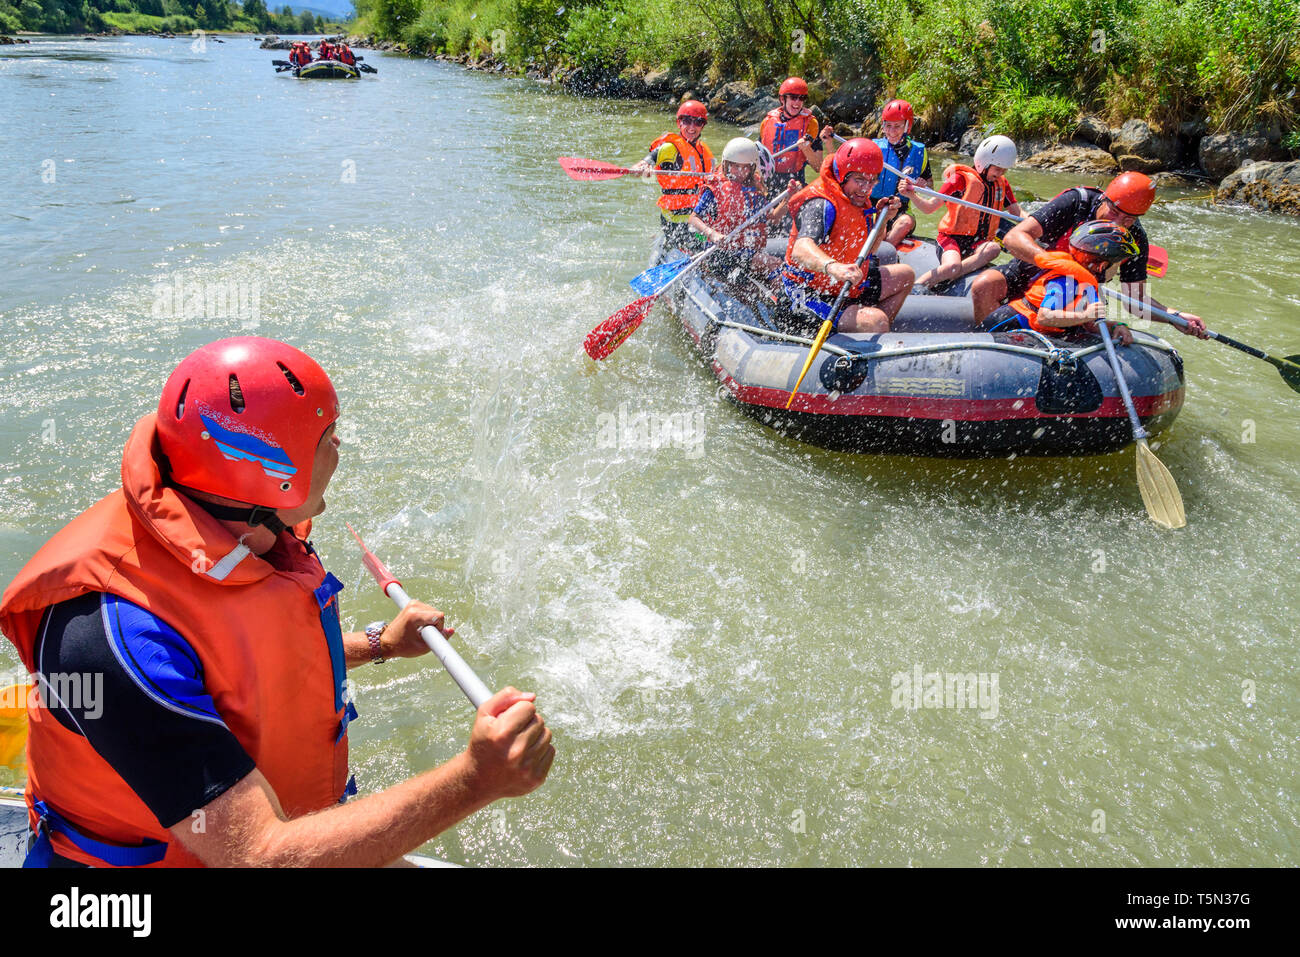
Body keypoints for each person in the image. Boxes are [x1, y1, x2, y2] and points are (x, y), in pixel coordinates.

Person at [0, 337, 554, 867]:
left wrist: (380, 644)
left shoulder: (235, 525)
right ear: (272, 473)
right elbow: (257, 857)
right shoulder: (112, 636)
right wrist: (475, 780)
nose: (339, 448)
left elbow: (248, 657)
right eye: (328, 436)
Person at [969, 171, 1208, 337]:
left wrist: (1175, 317)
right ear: (1104, 199)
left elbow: (1136, 302)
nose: (1118, 222)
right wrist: (1051, 261)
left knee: (1088, 321)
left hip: (1077, 292)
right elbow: (1014, 237)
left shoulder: (1133, 239)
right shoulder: (1077, 202)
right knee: (984, 285)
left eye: (1128, 219)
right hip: (1033, 269)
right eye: (1114, 212)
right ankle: (990, 349)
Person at [777, 138, 915, 335]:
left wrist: (883, 221)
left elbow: (870, 250)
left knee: (905, 275)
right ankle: (869, 330)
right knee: (877, 321)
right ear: (843, 175)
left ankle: (863, 338)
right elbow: (800, 249)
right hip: (808, 292)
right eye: (859, 180)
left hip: (844, 283)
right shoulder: (820, 204)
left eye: (872, 180)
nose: (866, 188)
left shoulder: (856, 199)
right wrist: (834, 267)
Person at [981, 220, 1139, 343]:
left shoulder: (1087, 284)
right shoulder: (1066, 282)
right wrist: (1085, 315)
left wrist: (1117, 326)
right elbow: (1045, 316)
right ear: (1103, 265)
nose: (1118, 271)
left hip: (1028, 330)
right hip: (1007, 325)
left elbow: (1089, 324)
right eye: (1118, 265)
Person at [904, 135, 1024, 290]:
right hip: (951, 239)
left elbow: (1016, 211)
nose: (1000, 173)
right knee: (952, 266)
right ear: (984, 163)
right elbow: (929, 208)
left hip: (977, 242)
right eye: (997, 169)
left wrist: (1037, 221)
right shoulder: (959, 179)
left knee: (994, 248)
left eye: (1004, 170)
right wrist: (911, 195)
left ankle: (954, 276)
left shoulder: (1001, 184)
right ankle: (918, 286)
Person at [688, 137, 783, 284]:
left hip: (745, 250)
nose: (741, 171)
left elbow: (772, 219)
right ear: (726, 165)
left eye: (746, 167)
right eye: (736, 166)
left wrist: (788, 200)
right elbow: (693, 219)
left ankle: (779, 302)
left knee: (780, 269)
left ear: (752, 168)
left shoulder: (755, 190)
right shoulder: (716, 189)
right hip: (719, 253)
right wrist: (712, 234)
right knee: (772, 263)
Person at [630, 100, 715, 250]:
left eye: (698, 122)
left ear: (703, 125)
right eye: (687, 121)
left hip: (696, 217)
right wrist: (642, 167)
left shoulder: (704, 150)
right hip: (675, 219)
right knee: (702, 242)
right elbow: (648, 160)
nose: (691, 127)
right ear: (679, 123)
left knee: (708, 239)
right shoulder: (670, 147)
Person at [758, 77, 837, 195]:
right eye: (793, 97)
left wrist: (806, 148)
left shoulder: (810, 124)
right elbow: (758, 158)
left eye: (802, 98)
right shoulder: (768, 122)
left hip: (795, 182)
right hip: (769, 183)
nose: (797, 102)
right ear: (782, 99)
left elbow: (818, 168)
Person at [870, 99, 933, 247]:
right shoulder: (872, 148)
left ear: (907, 126)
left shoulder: (919, 152)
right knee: (878, 225)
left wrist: (920, 186)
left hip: (901, 210)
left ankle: (882, 251)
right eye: (888, 126)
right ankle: (877, 247)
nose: (892, 131)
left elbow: (930, 186)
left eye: (897, 126)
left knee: (906, 222)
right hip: (872, 207)